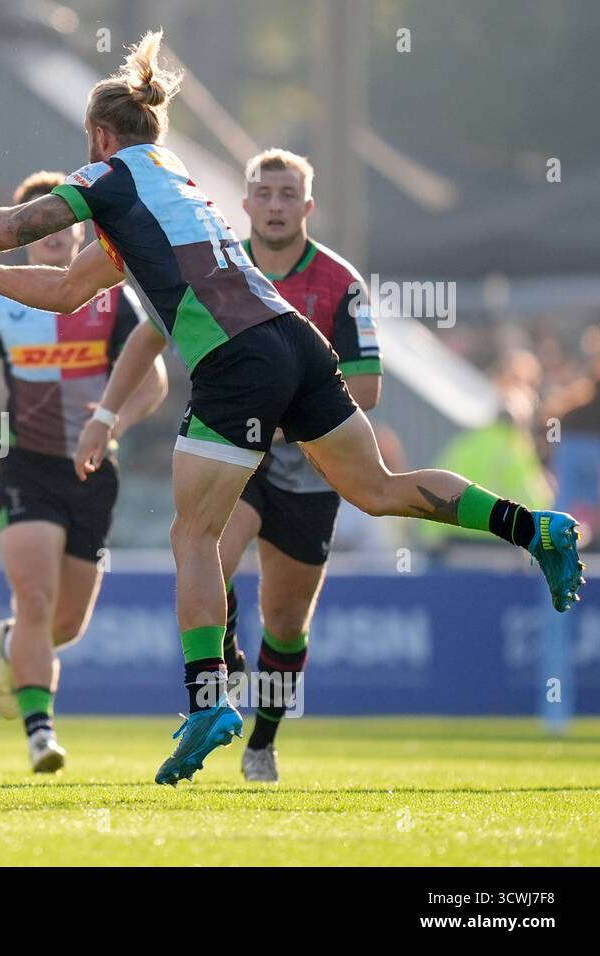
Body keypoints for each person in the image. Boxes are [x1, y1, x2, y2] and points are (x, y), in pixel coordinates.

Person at [0, 31, 584, 786]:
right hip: (295, 342)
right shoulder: (170, 184)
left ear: (100, 136)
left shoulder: (109, 175)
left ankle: (208, 698)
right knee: (375, 490)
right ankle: (535, 527)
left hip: (235, 359)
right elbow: (62, 288)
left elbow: (19, 226)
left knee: (193, 533)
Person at [0, 169, 167, 772]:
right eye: (39, 225)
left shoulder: (109, 298)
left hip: (93, 471)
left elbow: (152, 381)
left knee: (62, 626)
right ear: (22, 238)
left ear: (79, 234)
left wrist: (113, 424)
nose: (52, 235)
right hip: (26, 468)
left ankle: (10, 643)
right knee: (37, 597)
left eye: (62, 223)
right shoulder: (3, 302)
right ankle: (40, 732)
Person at [212, 148, 384, 783]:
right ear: (248, 202)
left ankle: (262, 742)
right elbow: (166, 336)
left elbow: (365, 390)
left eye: (290, 196)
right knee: (210, 553)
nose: (277, 206)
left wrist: (286, 421)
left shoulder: (341, 283)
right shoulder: (220, 271)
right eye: (266, 194)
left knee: (286, 624)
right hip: (236, 455)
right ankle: (226, 666)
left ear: (307, 207)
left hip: (310, 468)